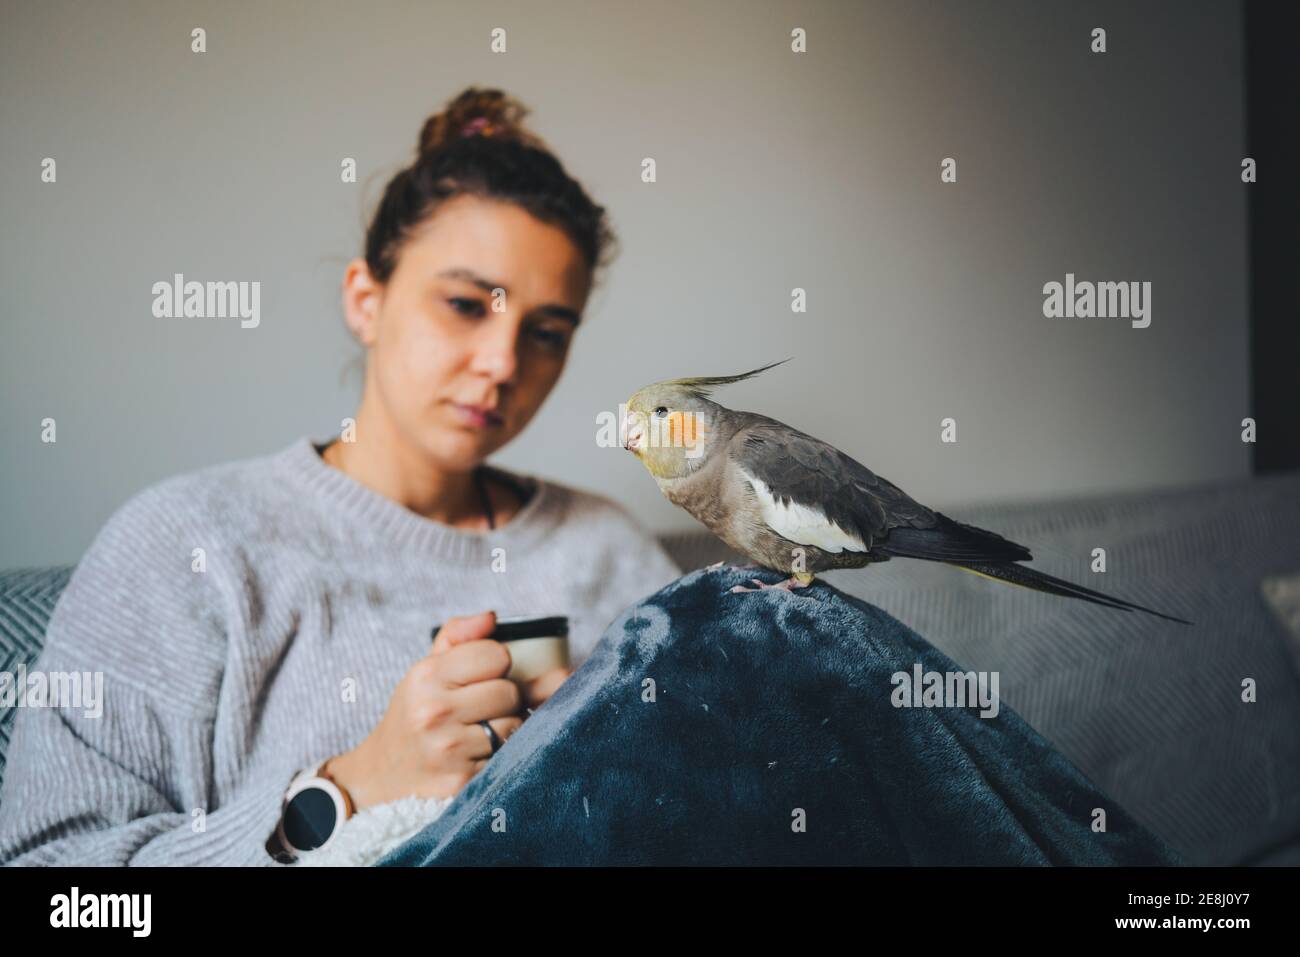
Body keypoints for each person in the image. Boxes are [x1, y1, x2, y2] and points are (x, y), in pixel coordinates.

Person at [0, 87, 680, 866]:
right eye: (465, 304)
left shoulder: (608, 550)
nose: (502, 363)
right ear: (366, 299)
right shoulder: (189, 545)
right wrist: (349, 791)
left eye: (547, 333)